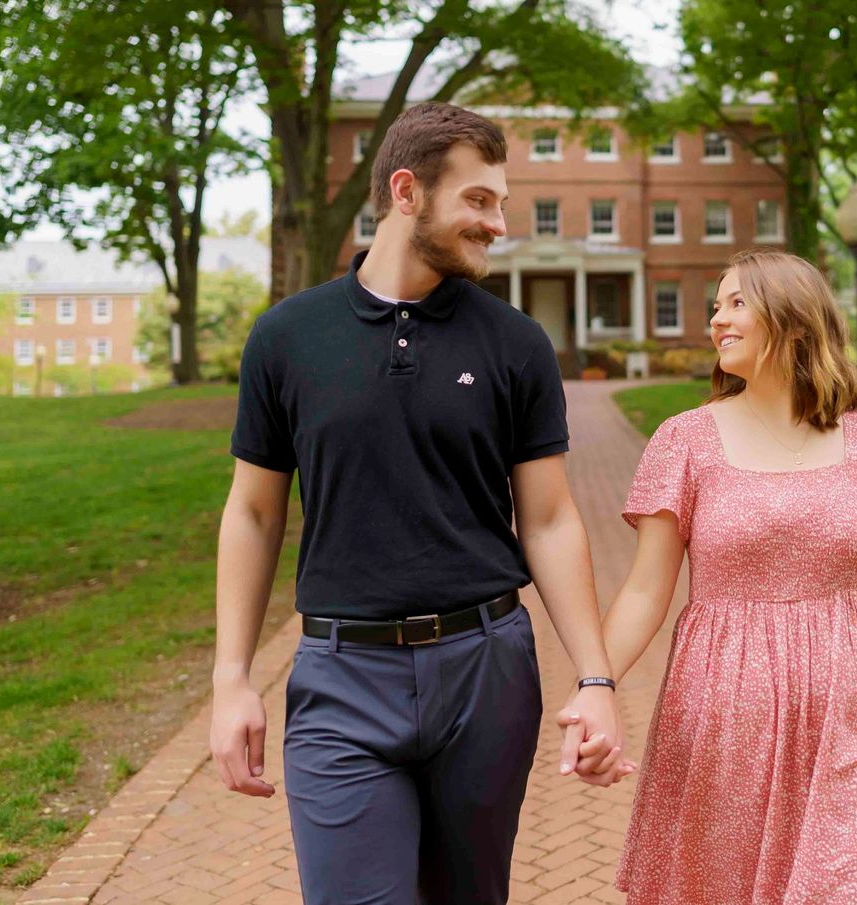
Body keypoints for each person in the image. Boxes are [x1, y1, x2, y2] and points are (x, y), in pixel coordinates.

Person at [208, 101, 625, 905]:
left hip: (486, 673)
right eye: (479, 200)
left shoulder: (516, 344)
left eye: (501, 201)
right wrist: (232, 678)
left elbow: (548, 518)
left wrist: (596, 679)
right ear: (407, 191)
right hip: (340, 676)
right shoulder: (286, 337)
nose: (498, 223)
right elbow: (253, 514)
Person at [574, 249, 857, 903]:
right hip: (727, 718)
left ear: (794, 318)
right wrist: (596, 686)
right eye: (716, 306)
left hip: (855, 713)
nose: (717, 320)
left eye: (737, 303)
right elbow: (646, 589)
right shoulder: (685, 441)